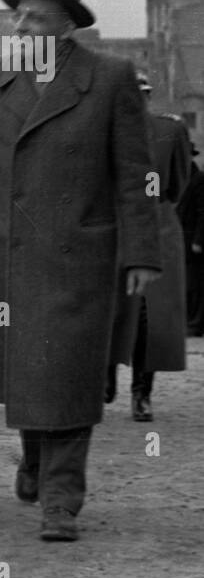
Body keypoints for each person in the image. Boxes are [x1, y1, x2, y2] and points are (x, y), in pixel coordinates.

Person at [0, 0, 161, 542]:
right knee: (28, 374)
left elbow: (137, 174)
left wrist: (142, 252)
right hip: (12, 252)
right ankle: (34, 459)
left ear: (68, 27)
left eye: (37, 18)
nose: (22, 26)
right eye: (18, 15)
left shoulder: (109, 78)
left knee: (69, 376)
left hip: (81, 254)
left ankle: (61, 500)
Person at [106, 73, 192, 421]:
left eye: (141, 94)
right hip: (112, 225)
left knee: (151, 317)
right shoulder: (103, 131)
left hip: (156, 224)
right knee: (110, 308)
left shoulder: (170, 131)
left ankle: (142, 392)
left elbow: (178, 183)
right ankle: (106, 374)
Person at [179, 151, 204, 335]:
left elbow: (203, 212)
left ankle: (194, 324)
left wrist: (198, 240)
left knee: (194, 283)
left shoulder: (198, 179)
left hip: (191, 240)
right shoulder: (176, 177)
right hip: (178, 238)